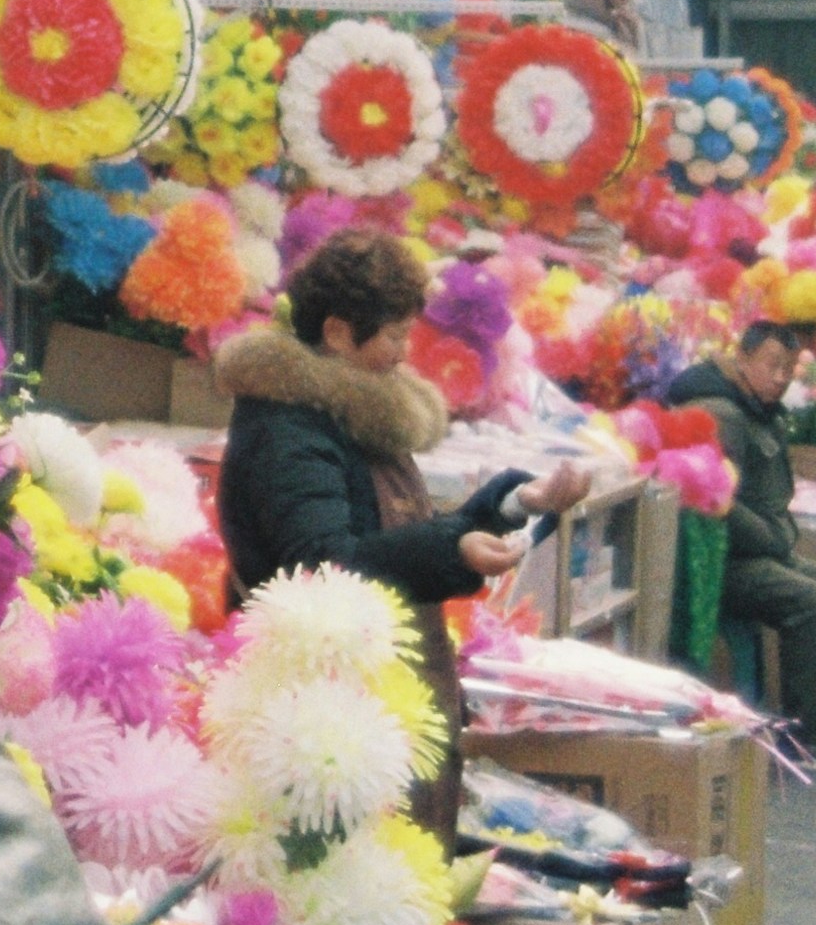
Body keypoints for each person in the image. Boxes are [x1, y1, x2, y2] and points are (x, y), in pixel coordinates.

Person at [216, 226, 598, 815]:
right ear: (338, 333)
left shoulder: (351, 406)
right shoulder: (287, 430)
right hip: (321, 718)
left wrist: (522, 501)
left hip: (380, 694)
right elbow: (325, 565)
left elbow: (400, 534)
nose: (404, 353)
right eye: (395, 336)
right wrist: (454, 550)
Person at [669, 307, 816, 774]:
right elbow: (715, 501)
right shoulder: (718, 412)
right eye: (771, 366)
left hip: (764, 549)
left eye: (788, 371)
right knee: (814, 604)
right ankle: (801, 744)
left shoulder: (758, 410)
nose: (780, 379)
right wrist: (772, 539)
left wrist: (776, 540)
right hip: (725, 561)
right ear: (743, 359)